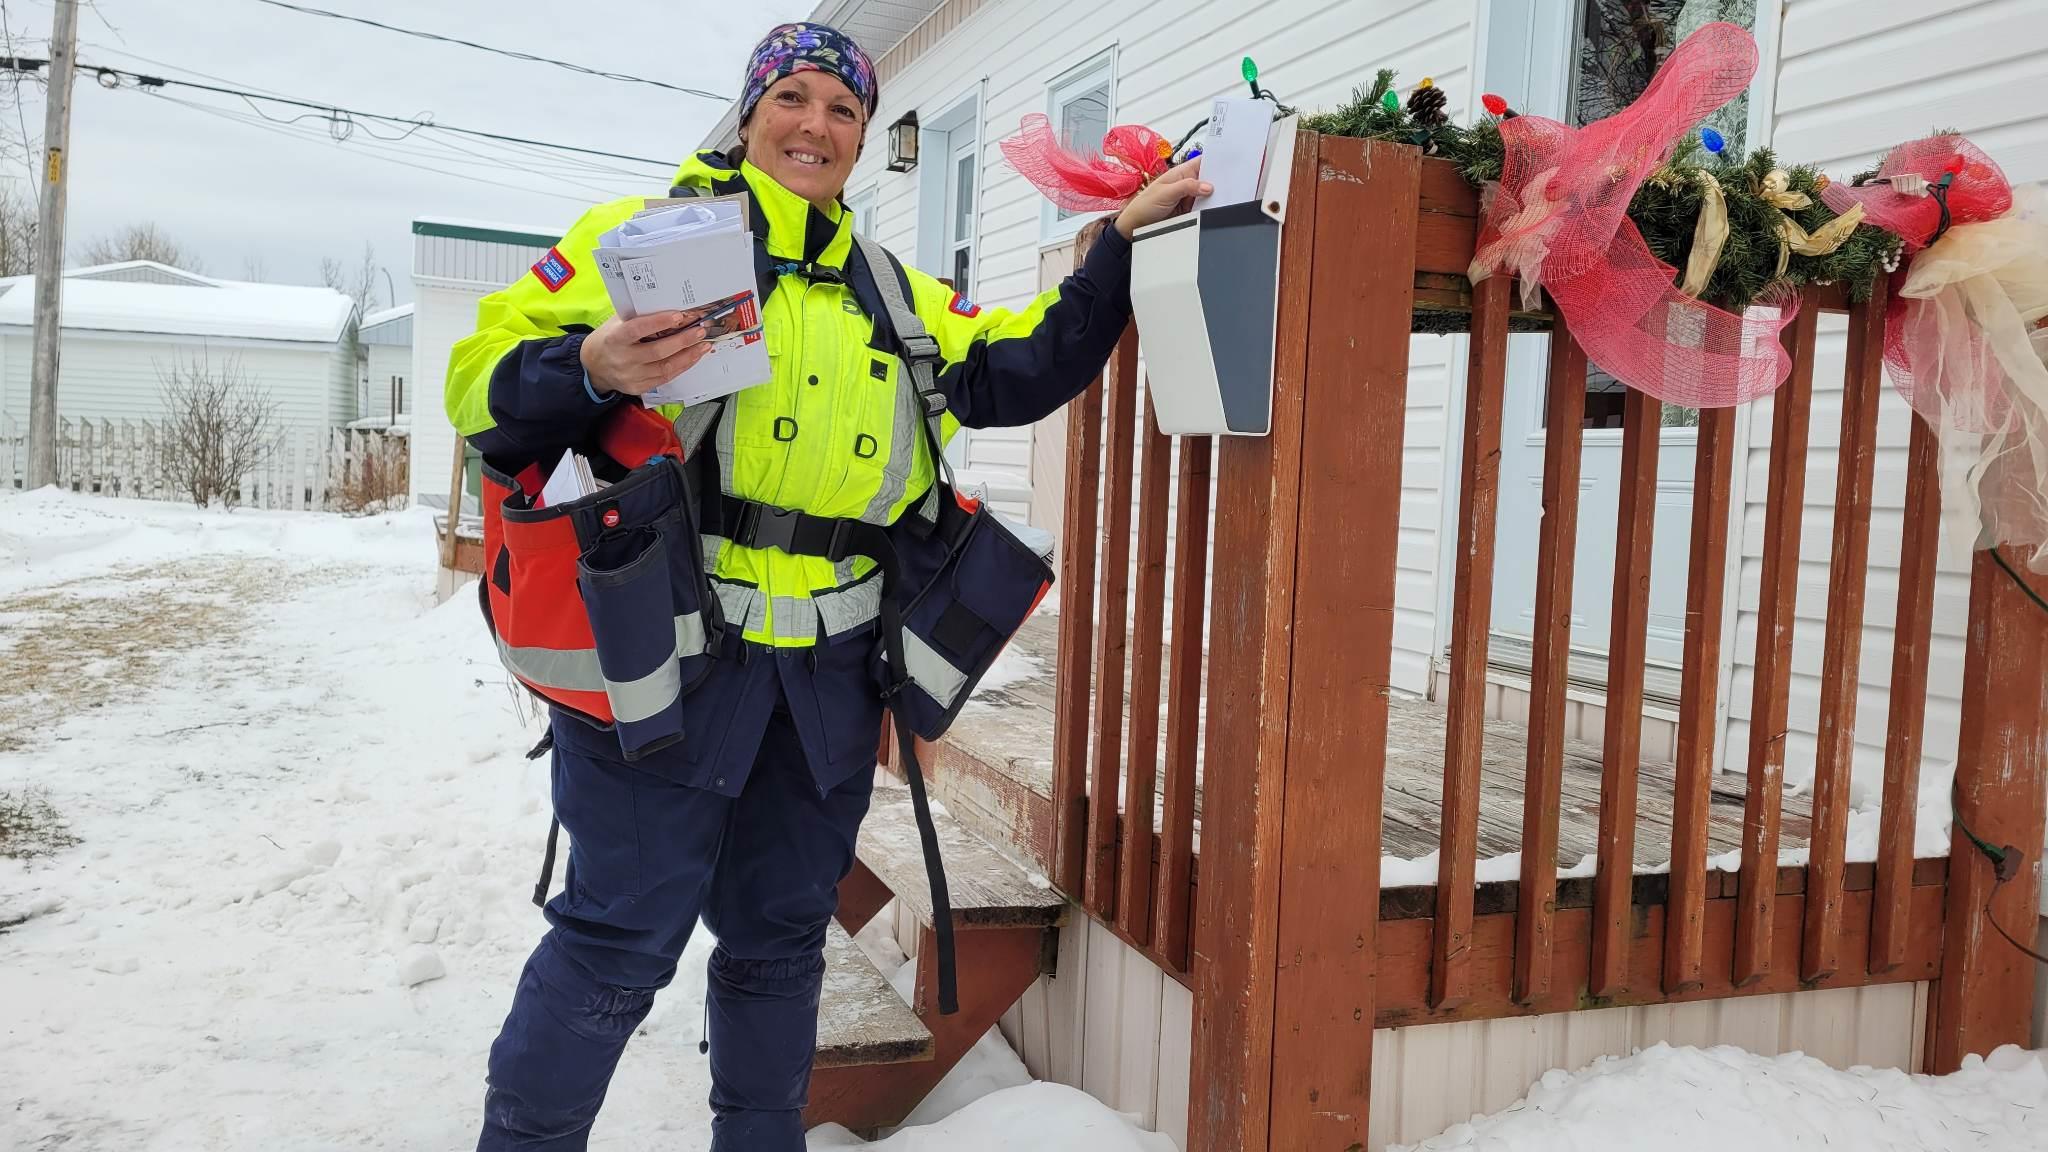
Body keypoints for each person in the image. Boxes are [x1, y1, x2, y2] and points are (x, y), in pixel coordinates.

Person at [445, 20, 1208, 1152]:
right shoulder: (643, 241)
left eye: (843, 108)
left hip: (827, 683)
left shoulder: (890, 292)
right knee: (617, 938)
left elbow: (1020, 363)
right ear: (751, 116)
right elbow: (476, 385)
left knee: (780, 942)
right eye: (791, 98)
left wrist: (1117, 248)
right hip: (665, 655)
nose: (816, 125)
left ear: (859, 137)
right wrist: (590, 363)